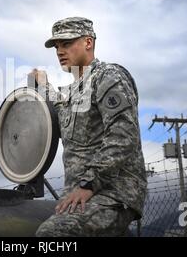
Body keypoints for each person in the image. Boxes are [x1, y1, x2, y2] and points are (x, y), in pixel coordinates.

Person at [32, 17, 147, 237]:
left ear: (88, 42)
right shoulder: (75, 91)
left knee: (53, 235)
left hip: (111, 194)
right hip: (82, 194)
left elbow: (123, 135)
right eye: (56, 46)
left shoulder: (109, 76)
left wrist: (89, 184)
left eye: (66, 43)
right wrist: (44, 85)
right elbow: (58, 111)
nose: (59, 51)